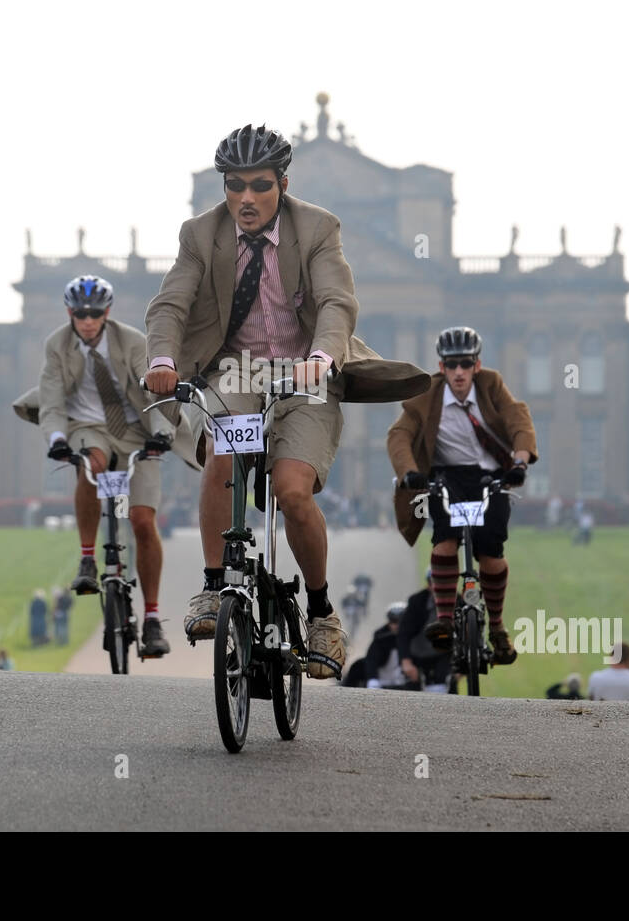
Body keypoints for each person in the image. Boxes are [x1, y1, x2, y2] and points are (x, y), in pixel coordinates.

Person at [143, 123, 428, 679]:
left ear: (282, 183)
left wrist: (323, 356)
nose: (246, 199)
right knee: (221, 455)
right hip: (237, 369)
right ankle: (210, 586)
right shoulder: (200, 234)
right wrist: (161, 359)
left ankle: (322, 613)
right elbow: (170, 304)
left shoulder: (318, 227)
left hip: (306, 373)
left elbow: (336, 303)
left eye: (259, 185)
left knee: (294, 492)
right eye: (234, 185)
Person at [35, 274, 199, 661]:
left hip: (139, 431)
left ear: (107, 312)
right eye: (80, 313)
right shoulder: (57, 346)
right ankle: (89, 558)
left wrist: (160, 433)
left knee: (142, 521)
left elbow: (155, 392)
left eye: (94, 313)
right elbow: (53, 400)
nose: (87, 321)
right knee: (90, 462)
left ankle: (153, 619)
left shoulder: (133, 343)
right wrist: (57, 440)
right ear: (69, 313)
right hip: (89, 428)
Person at [387, 326, 538, 664]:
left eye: (465, 365)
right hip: (446, 479)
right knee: (444, 542)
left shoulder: (492, 386)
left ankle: (496, 627)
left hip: (491, 477)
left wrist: (520, 461)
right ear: (441, 367)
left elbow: (518, 420)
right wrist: (410, 472)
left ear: (476, 366)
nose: (459, 372)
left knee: (491, 553)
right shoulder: (425, 395)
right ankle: (444, 621)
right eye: (452, 365)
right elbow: (399, 434)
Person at [395, 569, 453, 692]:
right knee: (411, 689)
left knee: (448, 687)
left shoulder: (457, 601)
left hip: (444, 655)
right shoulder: (416, 601)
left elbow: (469, 635)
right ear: (429, 585)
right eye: (434, 583)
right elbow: (404, 633)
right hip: (418, 653)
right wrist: (406, 661)